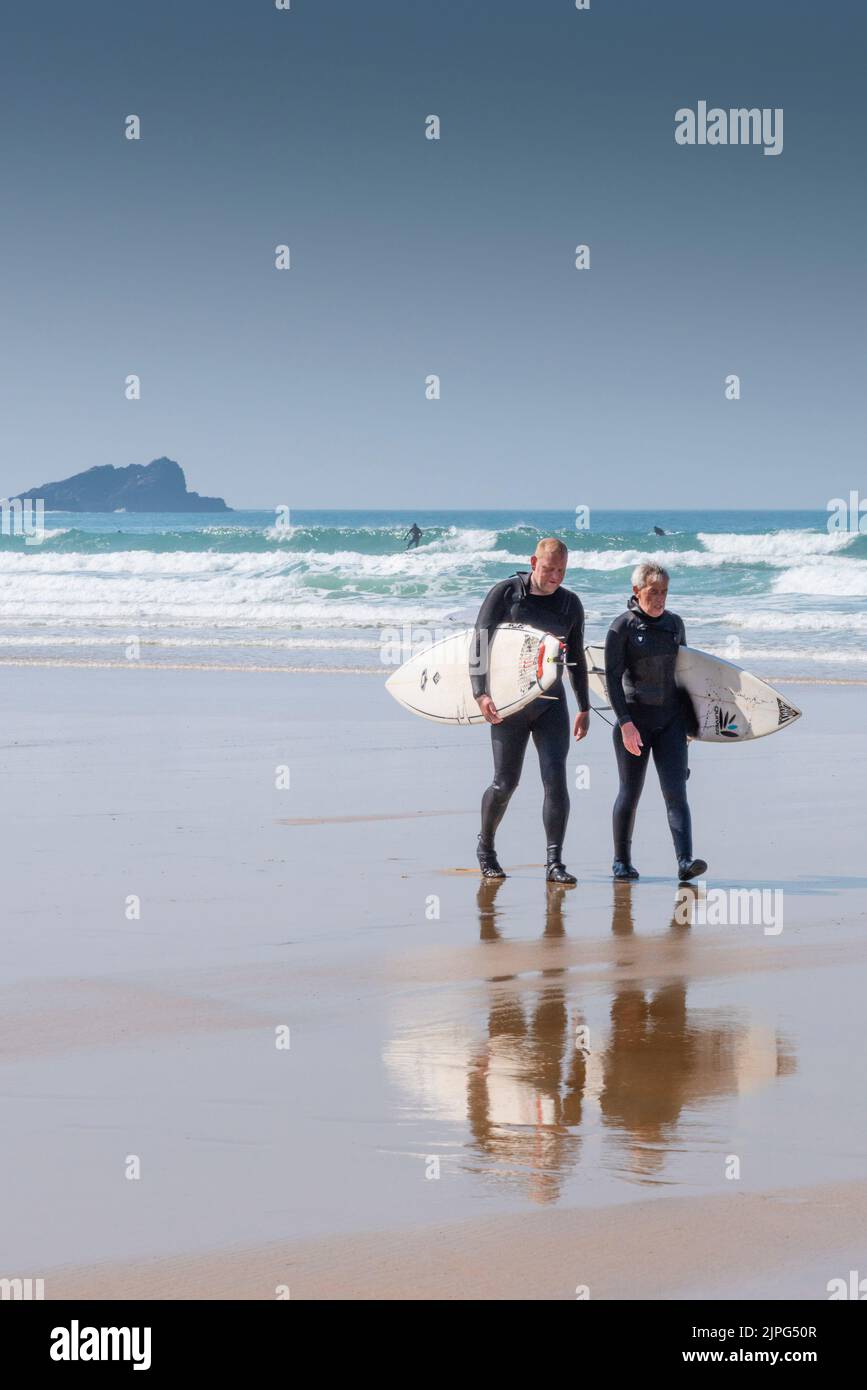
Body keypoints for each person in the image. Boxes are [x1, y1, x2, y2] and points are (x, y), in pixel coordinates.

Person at [471, 538, 590, 884]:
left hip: (551, 704)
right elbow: (479, 643)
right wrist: (481, 694)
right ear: (533, 561)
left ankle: (554, 862)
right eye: (549, 568)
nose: (554, 576)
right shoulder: (505, 594)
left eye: (561, 571)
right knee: (505, 783)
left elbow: (577, 658)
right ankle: (486, 848)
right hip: (509, 703)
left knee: (556, 782)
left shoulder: (570, 604)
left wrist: (583, 705)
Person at [604, 563, 706, 883]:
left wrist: (691, 728)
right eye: (653, 592)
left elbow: (686, 675)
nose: (659, 598)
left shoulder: (675, 624)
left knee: (676, 793)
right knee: (629, 793)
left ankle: (685, 861)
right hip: (635, 720)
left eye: (664, 591)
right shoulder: (622, 627)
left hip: (671, 721)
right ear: (636, 591)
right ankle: (621, 862)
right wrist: (625, 724)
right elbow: (611, 680)